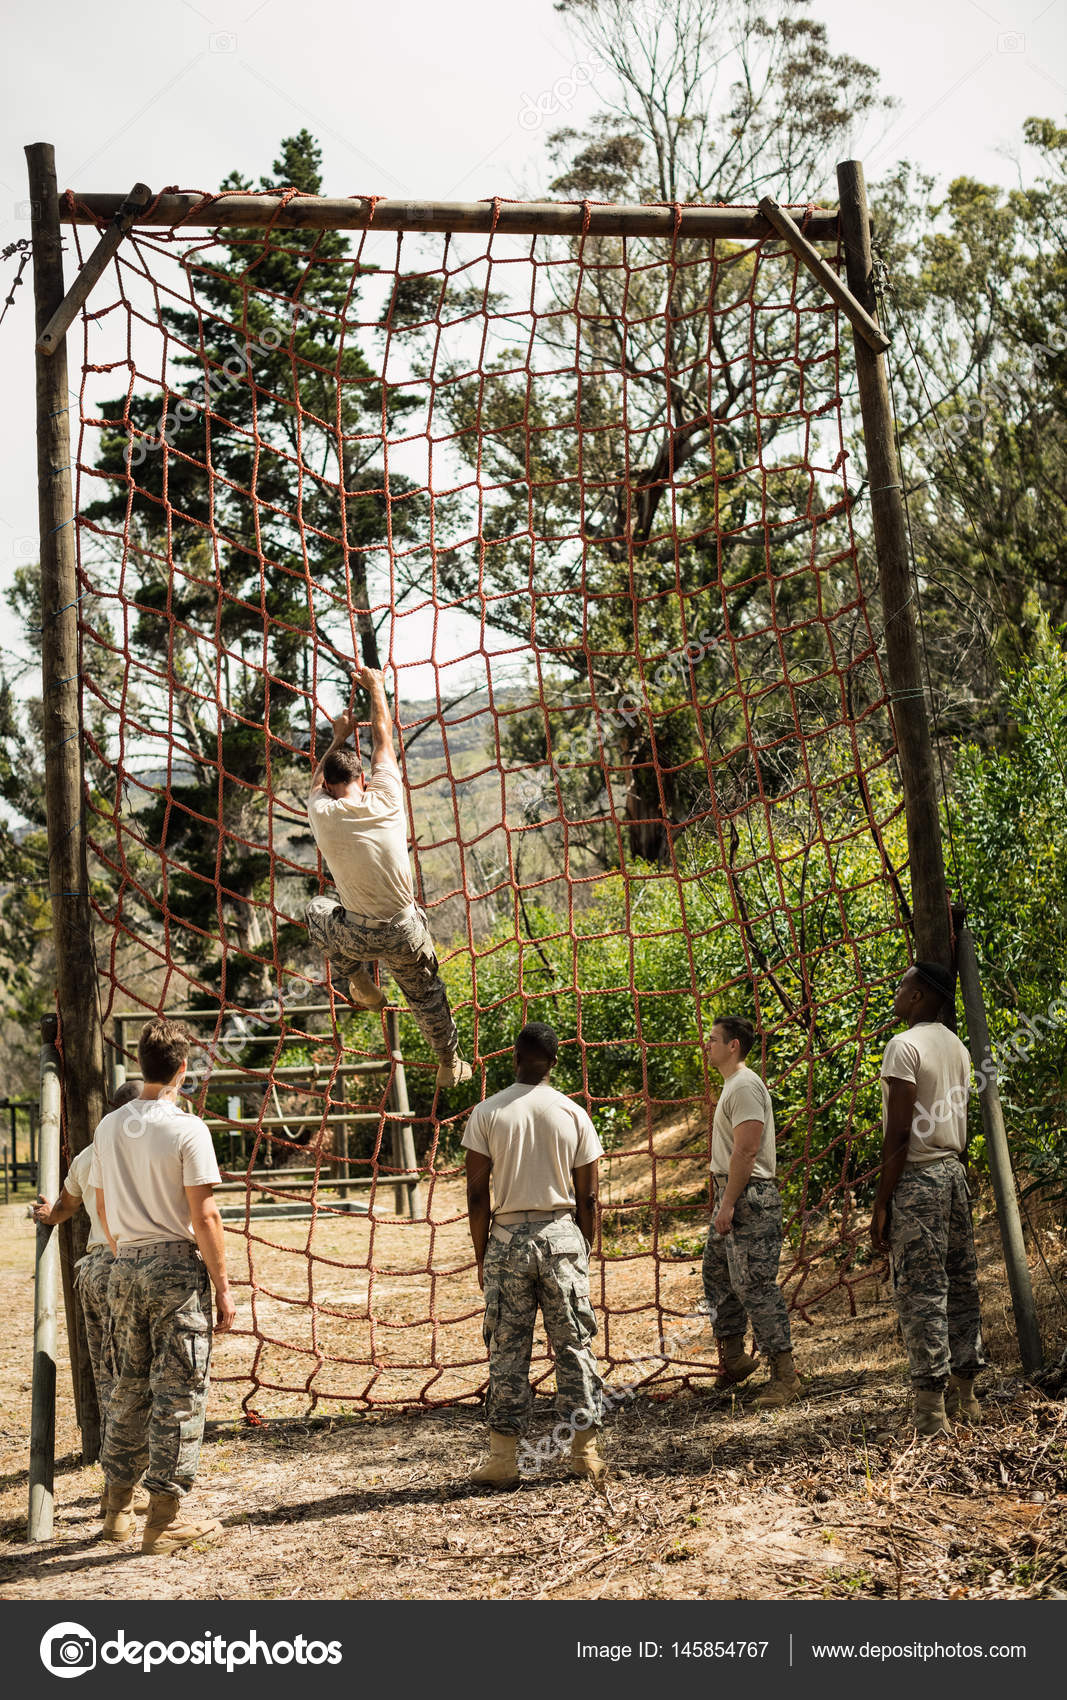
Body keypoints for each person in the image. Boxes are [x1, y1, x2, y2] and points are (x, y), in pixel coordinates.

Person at [90, 1017, 236, 1554]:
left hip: (122, 1263)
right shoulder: (186, 1128)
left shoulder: (109, 1127)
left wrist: (128, 1250)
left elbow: (103, 1208)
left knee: (127, 1386)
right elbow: (206, 1216)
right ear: (182, 1068)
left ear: (140, 1065)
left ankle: (115, 1512)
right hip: (175, 1268)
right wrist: (223, 1286)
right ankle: (164, 1521)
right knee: (179, 1392)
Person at [305, 665, 471, 1089]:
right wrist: (376, 687)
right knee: (426, 996)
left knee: (317, 908)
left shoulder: (321, 812)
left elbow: (316, 780)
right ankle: (449, 1062)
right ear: (362, 778)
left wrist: (338, 736)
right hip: (402, 929)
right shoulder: (385, 798)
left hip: (357, 934)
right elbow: (382, 737)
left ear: (327, 783)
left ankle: (357, 978)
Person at [463, 1022, 606, 1486]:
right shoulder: (572, 1113)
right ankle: (585, 1453)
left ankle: (504, 1458)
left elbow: (476, 1192)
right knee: (574, 1344)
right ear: (556, 1060)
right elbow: (588, 1197)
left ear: (514, 1057)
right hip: (563, 1235)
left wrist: (484, 1250)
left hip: (506, 1239)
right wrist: (585, 1244)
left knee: (507, 1348)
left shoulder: (487, 1112)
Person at [870, 962, 985, 1437]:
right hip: (953, 1174)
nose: (896, 992)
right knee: (961, 1282)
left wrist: (881, 1201)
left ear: (919, 996)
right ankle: (966, 1395)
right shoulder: (956, 1046)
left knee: (922, 1292)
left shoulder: (904, 1046)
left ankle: (930, 1411)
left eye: (902, 985)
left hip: (918, 1179)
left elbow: (900, 1131)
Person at [32, 1081, 143, 1527]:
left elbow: (65, 1205)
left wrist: (48, 1215)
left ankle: (115, 1490)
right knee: (144, 1379)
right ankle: (129, 1489)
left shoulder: (89, 1153)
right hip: (136, 1265)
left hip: (95, 1271)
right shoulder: (153, 1147)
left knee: (110, 1381)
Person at [702, 1016, 801, 1408]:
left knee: (755, 1284)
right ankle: (734, 1361)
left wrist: (728, 1204)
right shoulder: (733, 1085)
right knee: (717, 1273)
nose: (706, 1045)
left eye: (713, 1039)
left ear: (734, 1046)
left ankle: (785, 1376)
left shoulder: (744, 1085)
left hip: (748, 1196)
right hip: (731, 1192)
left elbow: (746, 1150)